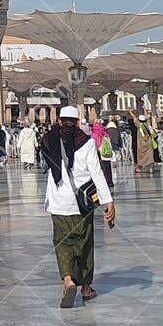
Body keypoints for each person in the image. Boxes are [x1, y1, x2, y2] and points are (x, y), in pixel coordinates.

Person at [41, 105, 115, 309]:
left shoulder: (48, 141)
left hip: (58, 202)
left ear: (58, 120)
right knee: (84, 244)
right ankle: (86, 288)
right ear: (77, 122)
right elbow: (96, 173)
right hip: (82, 203)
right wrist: (107, 200)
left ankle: (68, 281)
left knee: (62, 243)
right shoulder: (87, 142)